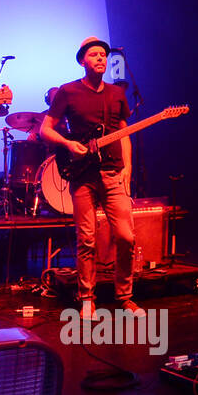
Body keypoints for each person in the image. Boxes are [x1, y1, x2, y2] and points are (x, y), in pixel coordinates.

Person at [40, 37, 138, 320]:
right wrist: (69, 144)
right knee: (87, 239)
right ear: (83, 60)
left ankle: (125, 296)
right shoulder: (68, 92)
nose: (100, 58)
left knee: (126, 236)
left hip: (113, 172)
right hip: (83, 175)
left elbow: (124, 132)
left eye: (104, 55)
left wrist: (127, 168)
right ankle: (87, 298)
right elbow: (47, 129)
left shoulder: (116, 94)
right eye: (94, 54)